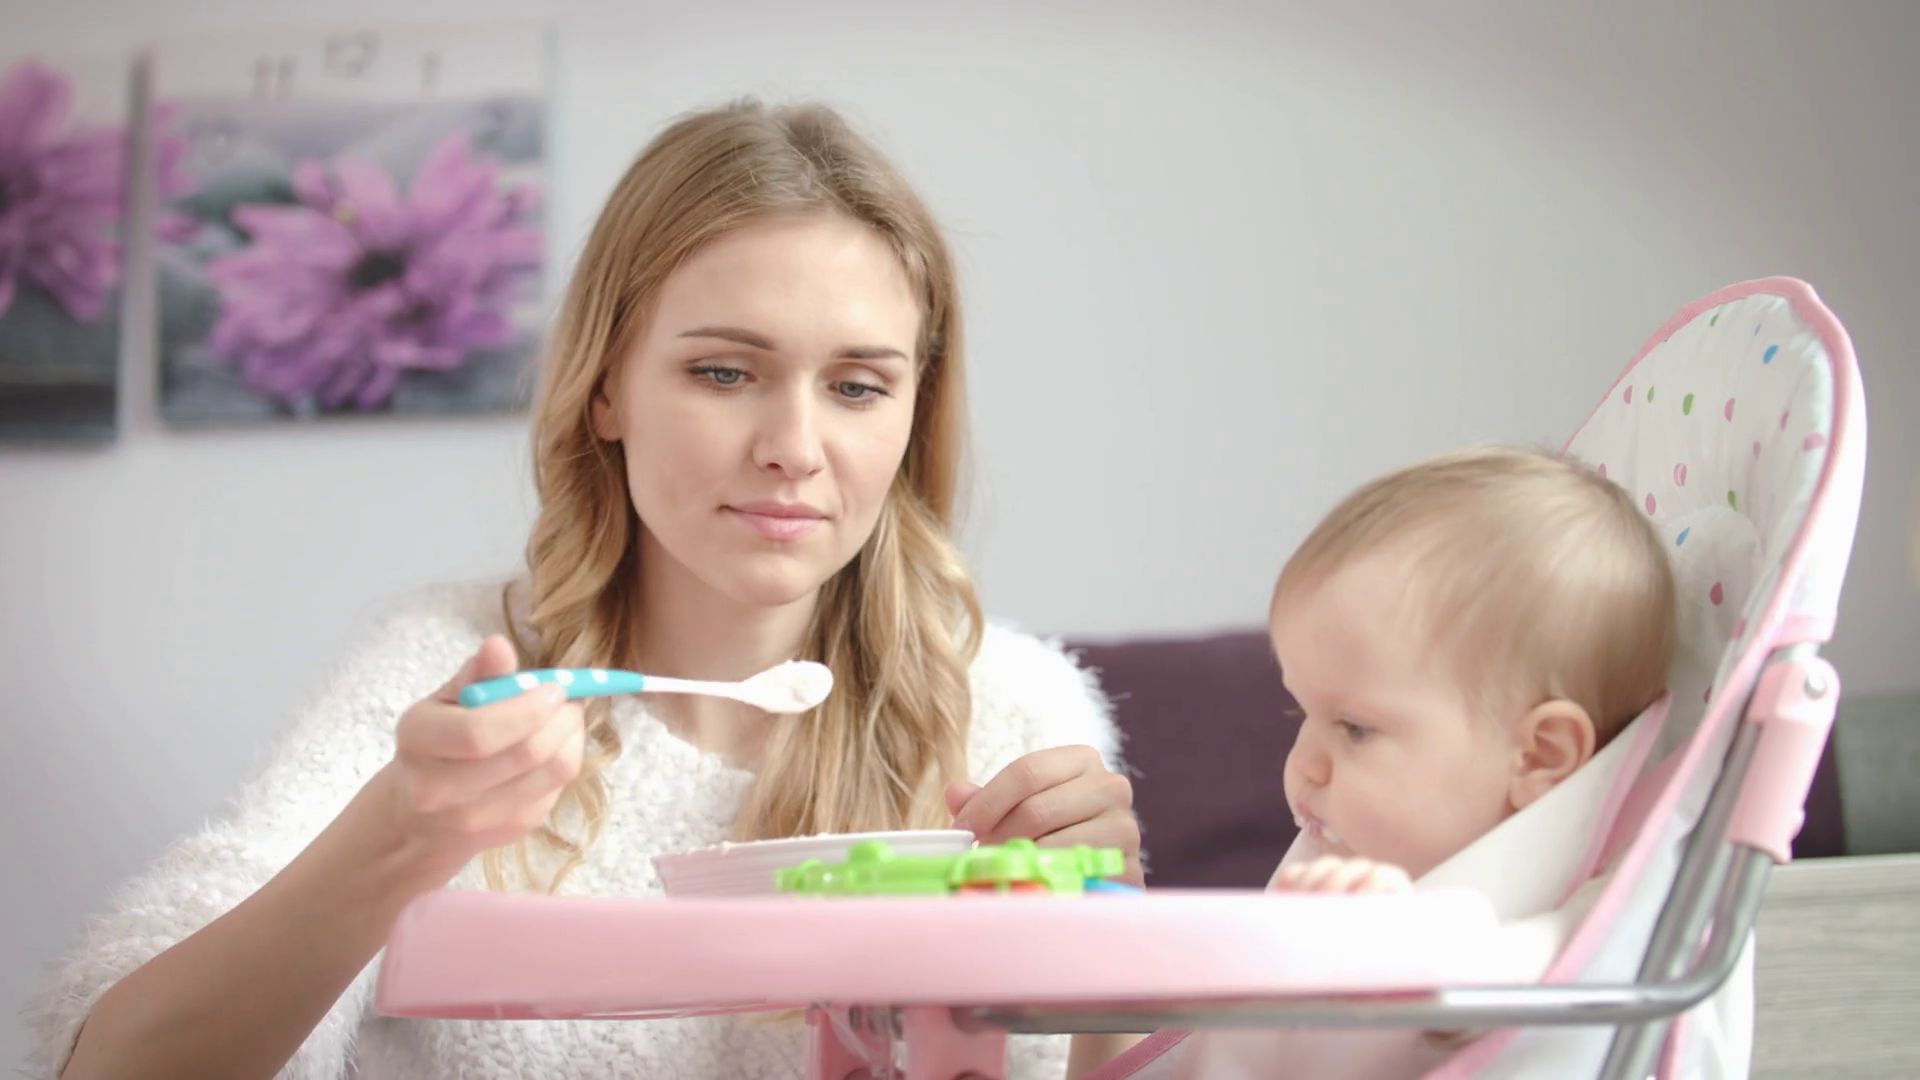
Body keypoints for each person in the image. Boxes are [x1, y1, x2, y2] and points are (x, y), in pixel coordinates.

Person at [36, 98, 1140, 1080]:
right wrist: (395, 842)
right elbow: (112, 1068)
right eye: (724, 372)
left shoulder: (1010, 710)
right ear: (607, 387)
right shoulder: (448, 680)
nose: (795, 449)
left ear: (913, 411)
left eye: (857, 387)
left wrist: (1118, 938)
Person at [1069, 445, 1677, 1080]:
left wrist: (1404, 948)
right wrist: (1106, 950)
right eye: (1300, 713)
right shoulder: (1331, 878)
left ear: (1538, 755)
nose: (1303, 764)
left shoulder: (1584, 930)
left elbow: (1498, 977)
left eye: (1355, 728)